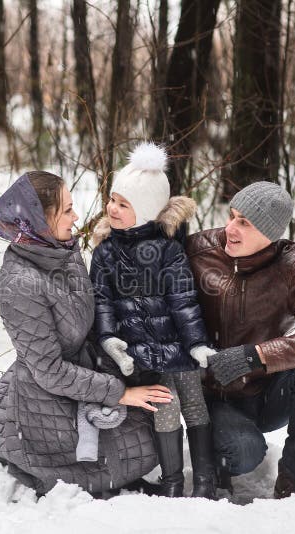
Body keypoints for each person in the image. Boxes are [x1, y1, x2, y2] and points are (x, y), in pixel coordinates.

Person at [0, 171, 173, 498]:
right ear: (39, 218)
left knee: (153, 427)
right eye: (66, 210)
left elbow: (90, 314)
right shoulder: (21, 284)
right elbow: (49, 371)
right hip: (46, 394)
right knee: (107, 460)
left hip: (84, 370)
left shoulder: (60, 250)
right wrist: (118, 393)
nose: (76, 216)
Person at [186, 181, 295, 501]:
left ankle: (291, 480)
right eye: (231, 216)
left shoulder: (292, 265)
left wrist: (256, 355)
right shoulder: (198, 251)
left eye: (244, 223)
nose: (230, 228)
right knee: (243, 453)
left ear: (270, 234)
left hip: (266, 392)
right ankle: (219, 461)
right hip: (213, 397)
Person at [90, 143, 217, 499]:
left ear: (145, 211)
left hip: (177, 345)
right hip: (140, 350)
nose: (111, 208)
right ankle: (173, 482)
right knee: (166, 403)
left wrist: (196, 342)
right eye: (112, 199)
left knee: (193, 401)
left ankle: (206, 480)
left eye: (123, 204)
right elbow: (102, 301)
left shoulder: (169, 250)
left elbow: (183, 301)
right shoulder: (104, 253)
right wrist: (108, 337)